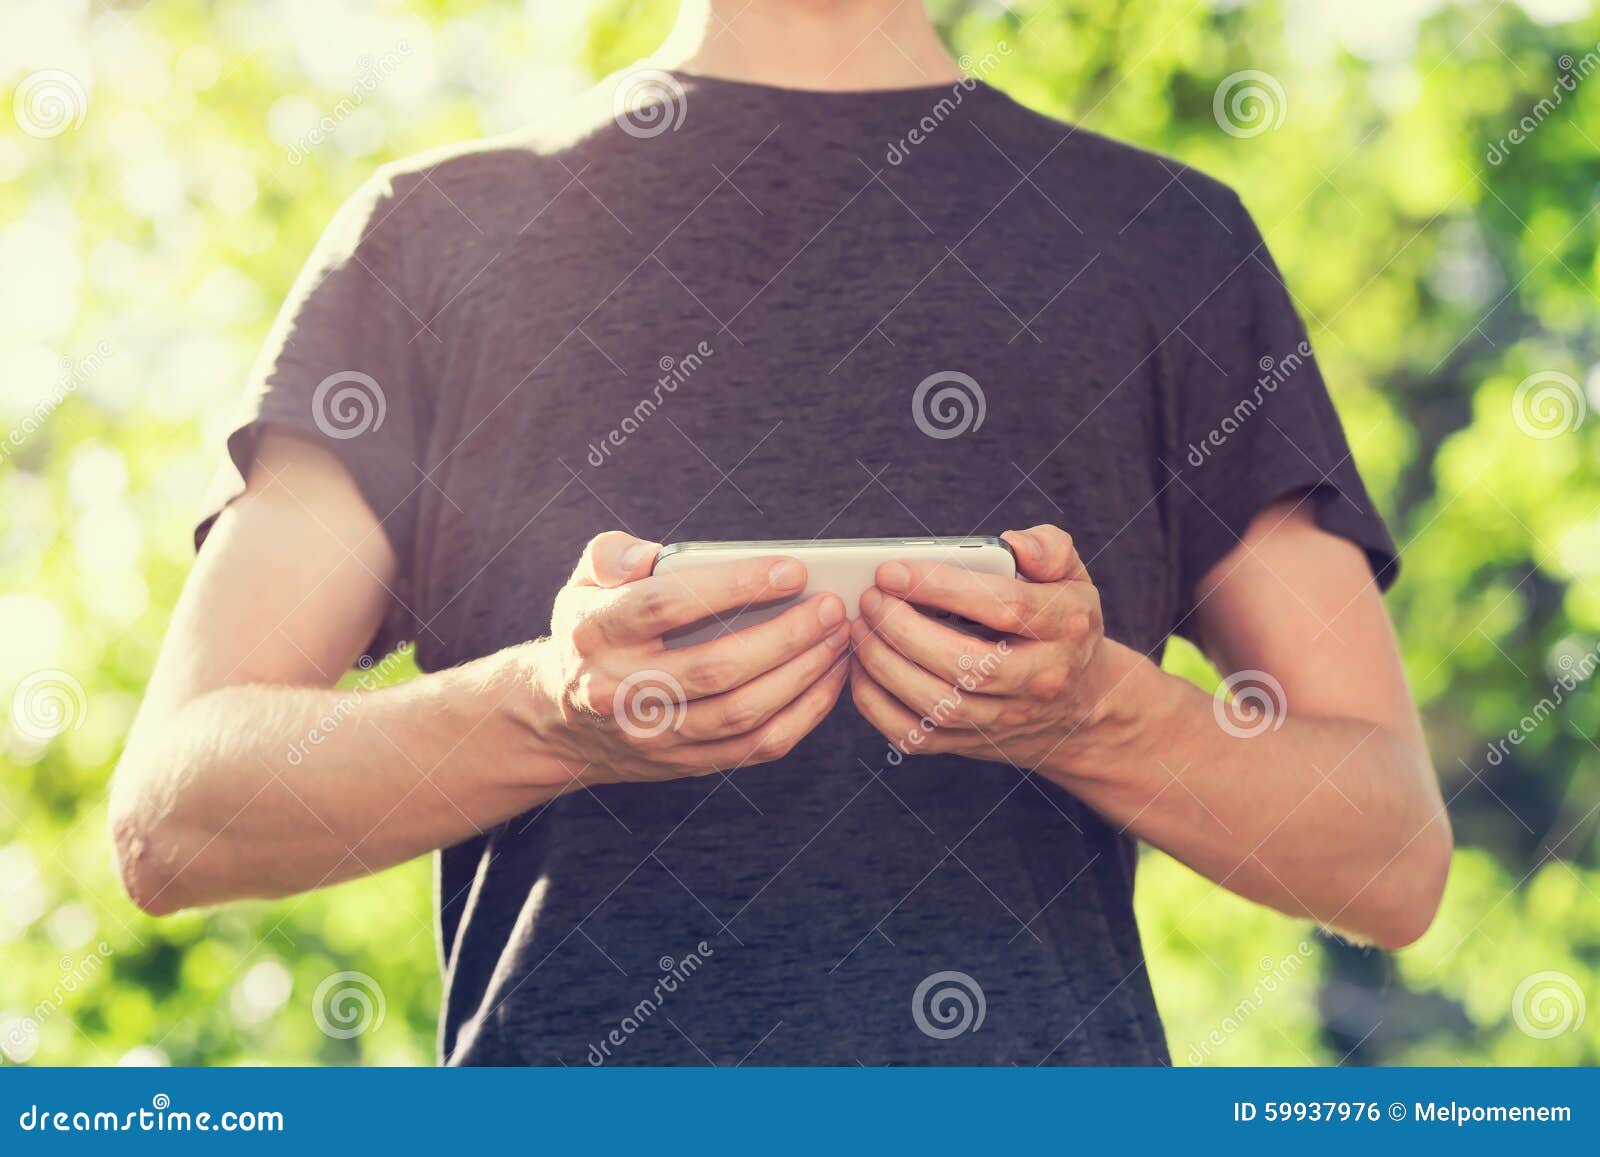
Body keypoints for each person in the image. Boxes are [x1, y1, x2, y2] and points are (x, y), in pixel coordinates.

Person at [110, 0, 1451, 1065]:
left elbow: (1391, 856)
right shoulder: (428, 243)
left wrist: (1097, 714)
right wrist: (546, 711)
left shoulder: (1171, 247)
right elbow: (174, 814)